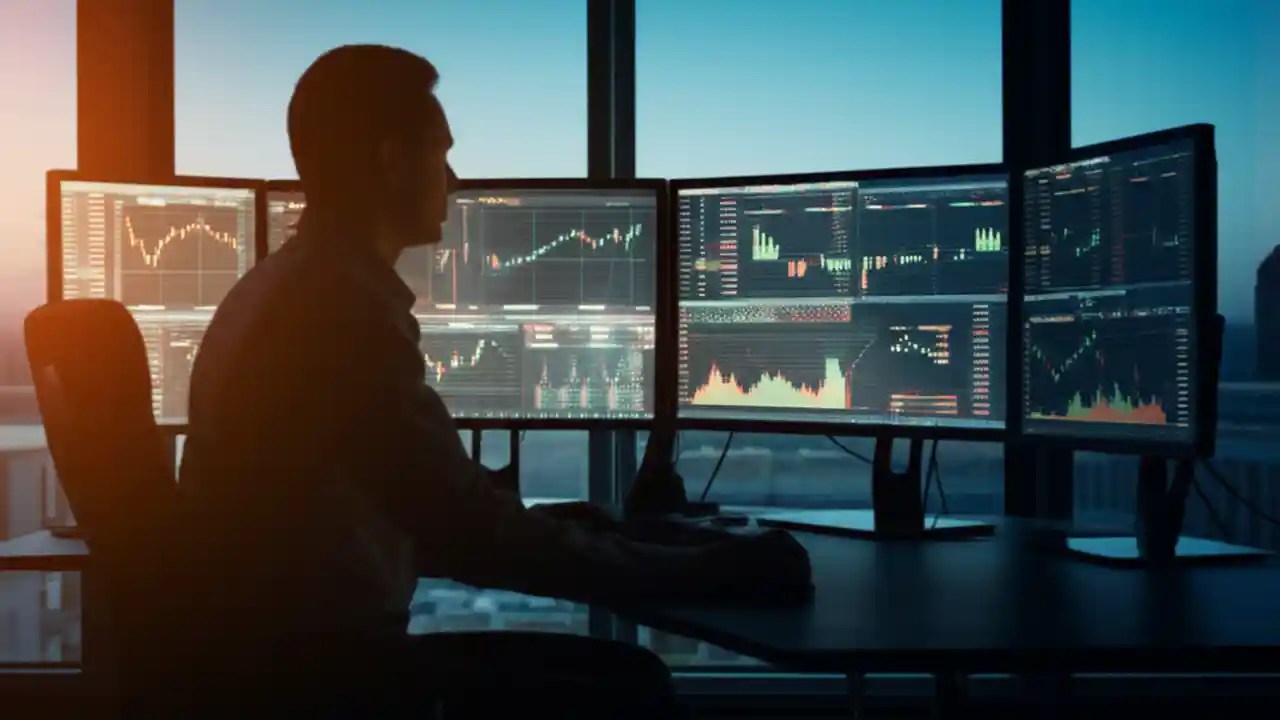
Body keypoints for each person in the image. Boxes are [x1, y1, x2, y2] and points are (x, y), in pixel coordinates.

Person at [176, 44, 811, 716]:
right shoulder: (337, 315)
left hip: (284, 663)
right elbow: (468, 535)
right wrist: (709, 569)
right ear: (391, 159)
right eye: (440, 152)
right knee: (634, 687)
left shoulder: (294, 287)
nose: (451, 180)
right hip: (323, 677)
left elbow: (422, 506)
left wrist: (587, 527)